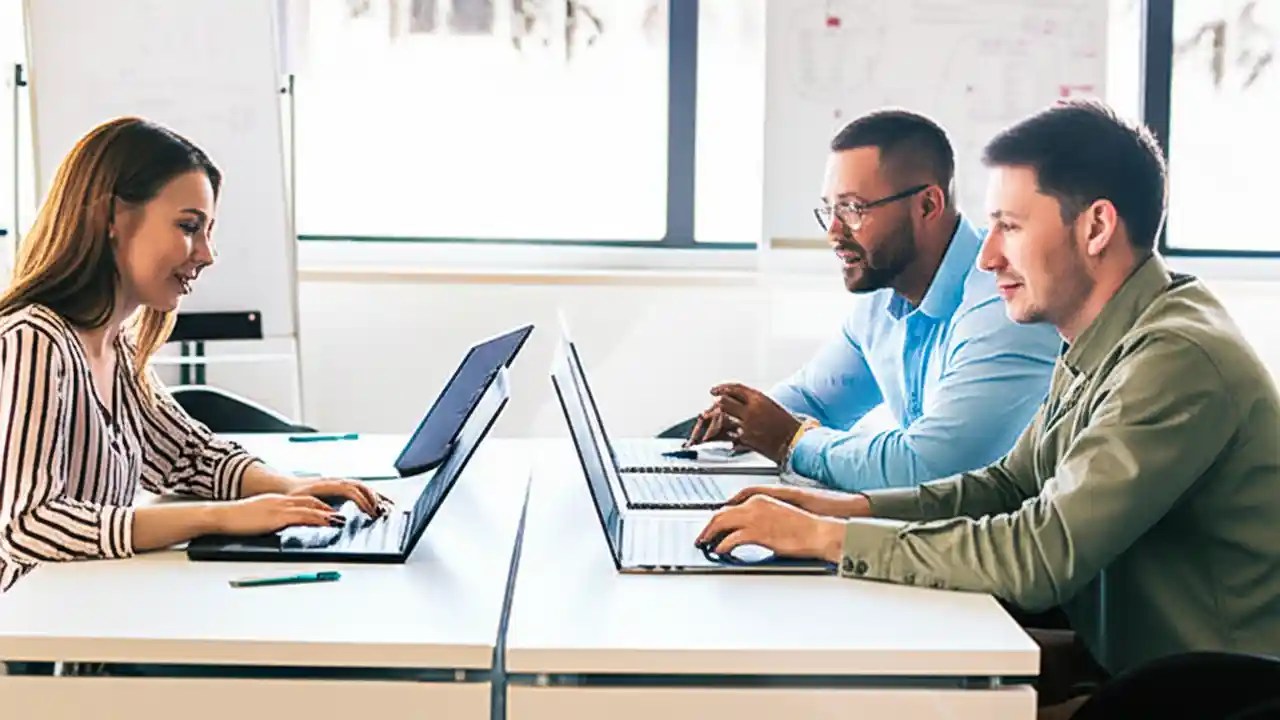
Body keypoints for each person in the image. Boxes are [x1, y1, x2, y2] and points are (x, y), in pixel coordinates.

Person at [695, 99, 1280, 716]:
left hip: (1214, 693)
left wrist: (825, 537)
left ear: (1096, 227)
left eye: (1011, 226)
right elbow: (1010, 485)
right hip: (1130, 662)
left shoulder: (1174, 359)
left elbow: (1039, 554)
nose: (986, 255)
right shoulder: (1104, 335)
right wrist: (843, 508)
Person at [0, 117, 385, 595]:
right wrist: (222, 518)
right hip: (30, 633)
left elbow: (186, 456)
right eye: (188, 227)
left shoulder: (115, 344)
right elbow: (28, 523)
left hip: (87, 606)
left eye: (208, 231)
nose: (207, 254)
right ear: (111, 220)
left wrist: (287, 489)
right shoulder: (34, 339)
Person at [685, 109, 1060, 492]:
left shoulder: (1003, 299)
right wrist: (740, 417)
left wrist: (790, 441)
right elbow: (815, 397)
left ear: (927, 206)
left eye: (852, 209)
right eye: (830, 210)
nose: (833, 232)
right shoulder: (882, 298)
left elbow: (929, 467)